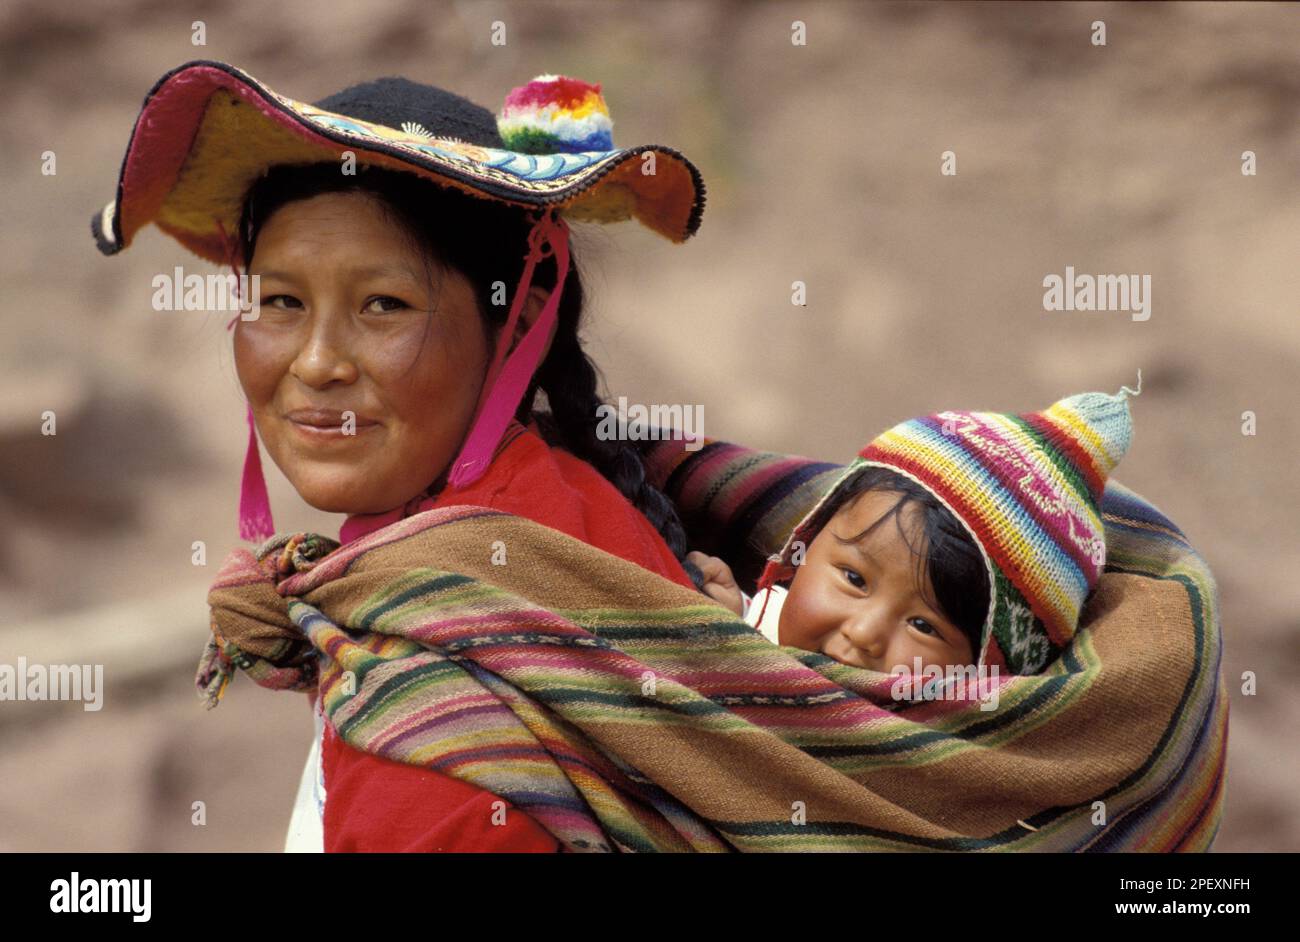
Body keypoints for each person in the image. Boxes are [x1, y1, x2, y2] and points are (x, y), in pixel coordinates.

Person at [92, 61, 708, 852]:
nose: (316, 363)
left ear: (516, 322)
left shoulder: (437, 711)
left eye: (384, 304)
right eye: (280, 302)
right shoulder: (546, 507)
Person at [689, 387, 1139, 685]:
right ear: (802, 545)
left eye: (924, 626)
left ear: (985, 674)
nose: (864, 633)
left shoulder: (944, 769)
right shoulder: (749, 627)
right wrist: (735, 622)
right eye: (854, 578)